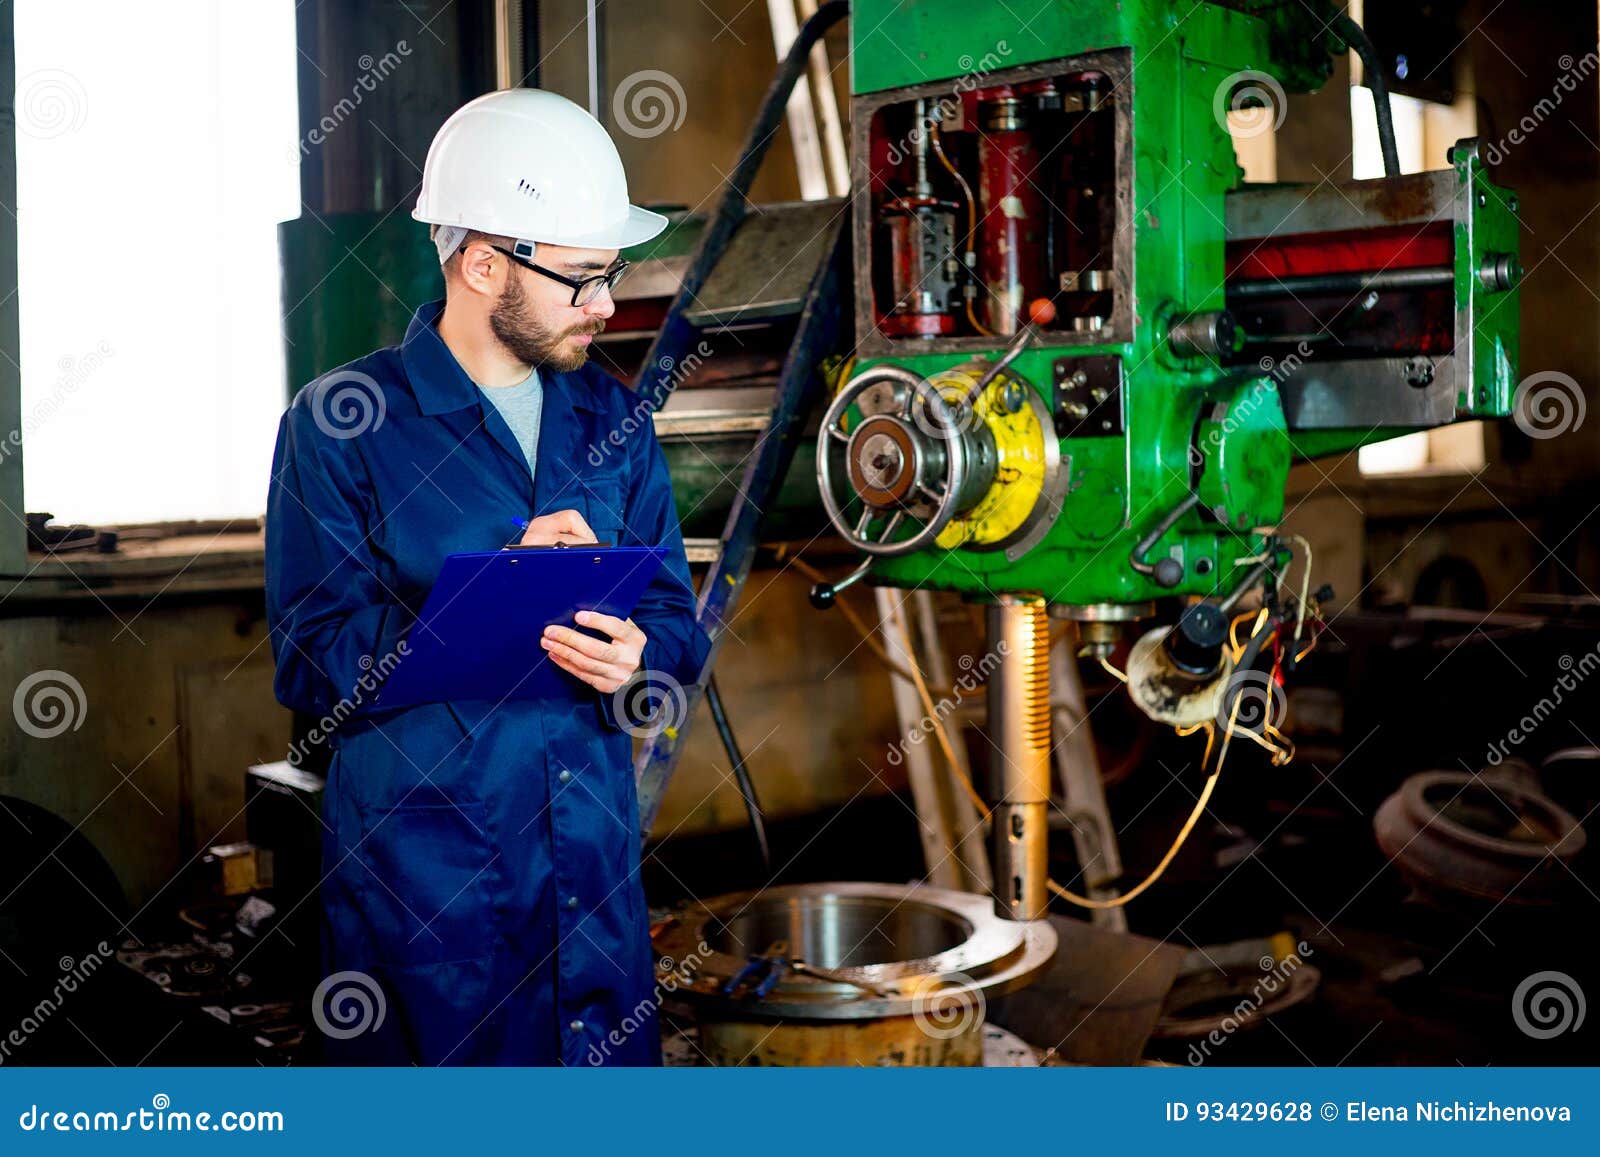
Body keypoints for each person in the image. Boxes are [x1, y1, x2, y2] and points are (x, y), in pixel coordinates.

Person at [265, 89, 708, 1065]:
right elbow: (310, 660)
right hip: (423, 873)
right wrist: (484, 606)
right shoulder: (344, 420)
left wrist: (642, 653)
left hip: (587, 851)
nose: (606, 305)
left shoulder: (612, 418)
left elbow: (678, 623)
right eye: (583, 280)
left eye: (610, 277)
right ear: (480, 263)